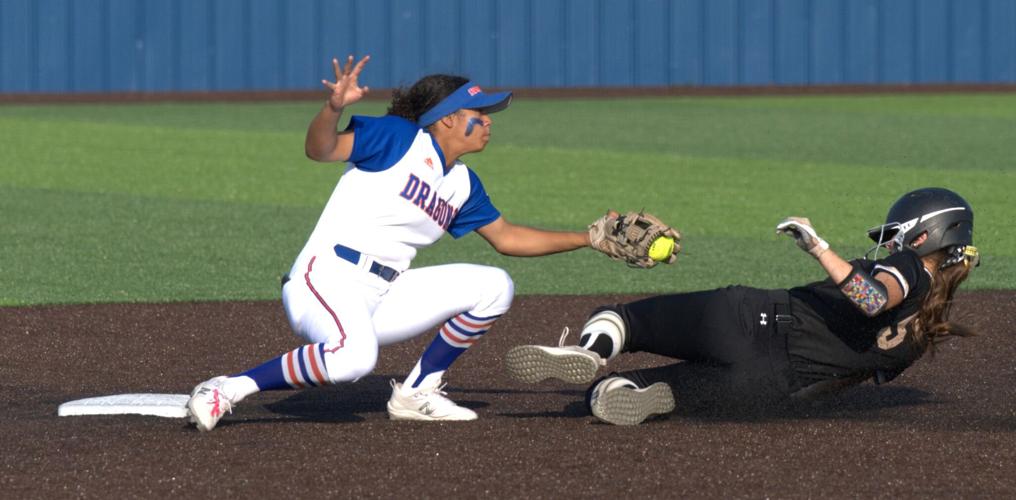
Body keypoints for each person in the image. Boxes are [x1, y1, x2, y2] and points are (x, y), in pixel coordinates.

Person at [185, 55, 596, 431]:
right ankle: (229, 387)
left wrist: (588, 238)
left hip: (386, 291)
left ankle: (417, 392)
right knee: (354, 361)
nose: (488, 121)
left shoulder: (463, 184)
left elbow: (507, 237)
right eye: (478, 113)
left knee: (495, 287)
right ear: (447, 119)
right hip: (326, 278)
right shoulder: (399, 138)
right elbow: (320, 149)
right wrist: (333, 108)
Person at [505, 187, 979, 425]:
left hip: (748, 323)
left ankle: (592, 349)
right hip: (764, 387)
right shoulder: (924, 334)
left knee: (624, 320)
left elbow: (872, 299)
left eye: (899, 233)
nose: (891, 241)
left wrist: (819, 248)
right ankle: (626, 390)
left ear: (925, 234)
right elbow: (841, 381)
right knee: (608, 397)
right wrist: (775, 400)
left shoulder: (911, 268)